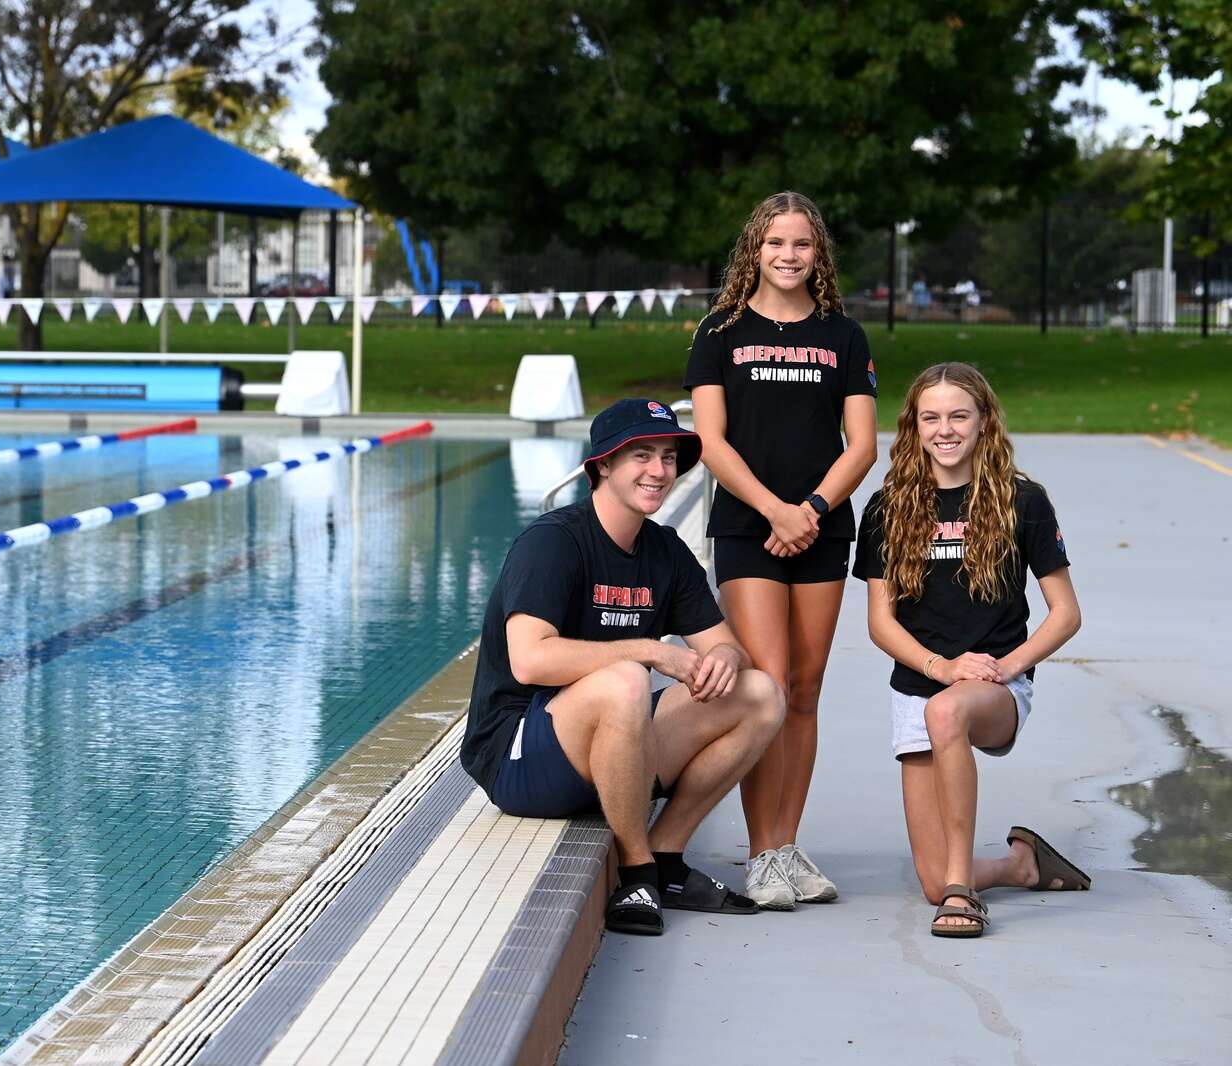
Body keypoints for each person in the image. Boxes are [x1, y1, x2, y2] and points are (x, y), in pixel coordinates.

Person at [460, 398, 786, 936]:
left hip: (613, 745)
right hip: (520, 757)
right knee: (627, 677)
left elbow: (725, 647)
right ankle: (636, 872)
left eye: (668, 457)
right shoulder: (553, 542)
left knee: (758, 693)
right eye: (641, 455)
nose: (659, 470)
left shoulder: (664, 550)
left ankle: (667, 858)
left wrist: (723, 661)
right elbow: (530, 660)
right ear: (603, 465)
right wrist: (652, 651)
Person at [683, 191, 878, 909]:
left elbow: (862, 446)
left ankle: (787, 846)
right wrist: (774, 510)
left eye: (801, 244)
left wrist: (813, 510)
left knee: (806, 687)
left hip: (821, 530)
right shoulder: (720, 332)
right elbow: (710, 442)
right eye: (775, 243)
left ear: (817, 253)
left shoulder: (843, 336)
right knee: (766, 685)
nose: (788, 255)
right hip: (749, 530)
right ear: (754, 251)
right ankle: (760, 853)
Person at [853, 363, 1088, 937]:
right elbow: (881, 624)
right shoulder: (886, 508)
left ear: (984, 421)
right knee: (930, 880)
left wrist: (1005, 669)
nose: (946, 429)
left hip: (994, 688)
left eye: (959, 415)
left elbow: (1066, 613)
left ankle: (963, 890)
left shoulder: (1022, 500)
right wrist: (942, 667)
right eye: (930, 417)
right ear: (913, 426)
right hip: (921, 681)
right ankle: (1020, 866)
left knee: (947, 711)